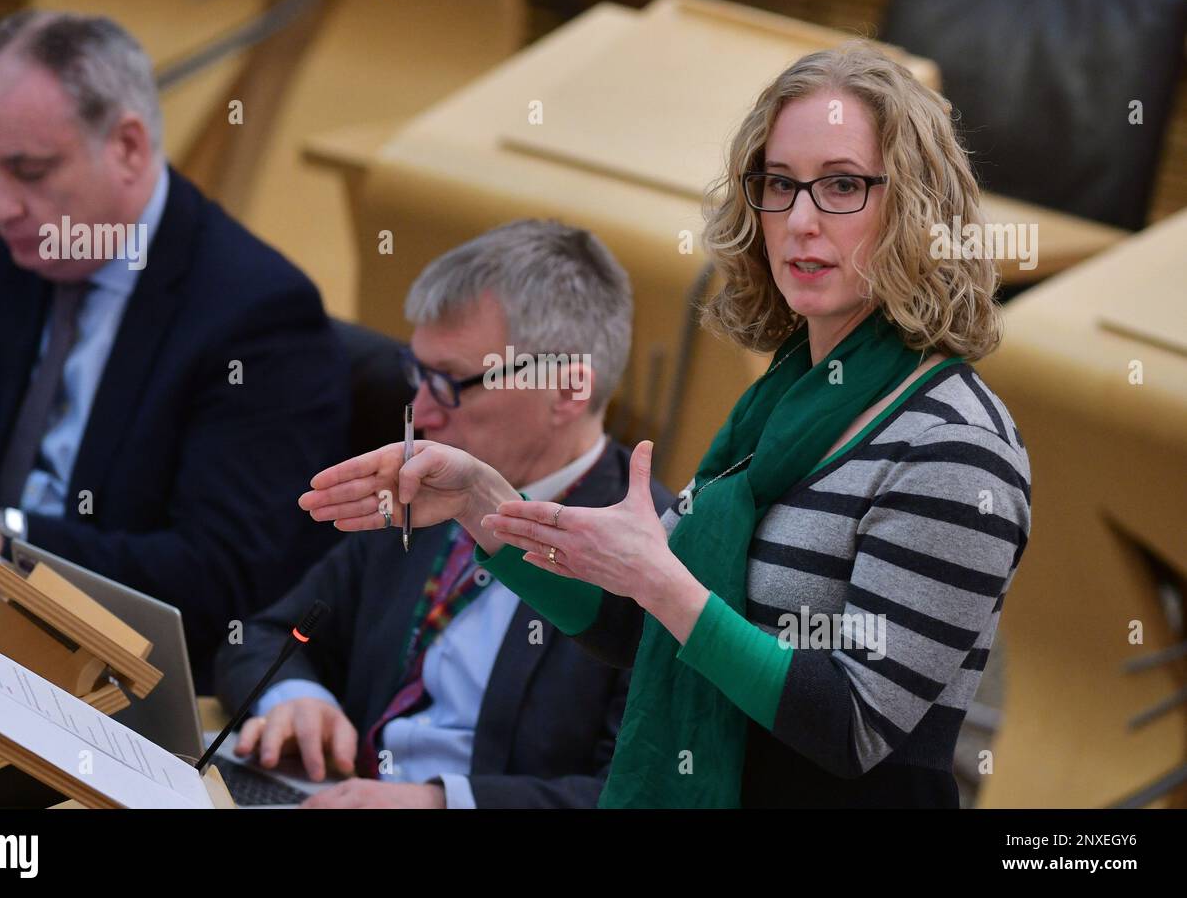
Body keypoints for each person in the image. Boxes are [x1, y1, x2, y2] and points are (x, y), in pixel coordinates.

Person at [299, 44, 1033, 808]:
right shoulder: (780, 407)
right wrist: (483, 503)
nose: (801, 221)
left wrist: (666, 584)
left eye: (843, 186)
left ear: (917, 207)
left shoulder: (955, 447)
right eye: (779, 185)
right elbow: (633, 628)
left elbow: (853, 723)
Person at [0, 11, 349, 689]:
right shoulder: (3, 260)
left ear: (128, 147)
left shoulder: (256, 315)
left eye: (29, 171)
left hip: (121, 684)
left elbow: (218, 579)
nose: (2, 206)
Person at [217, 220, 674, 808]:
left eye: (452, 382)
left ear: (567, 391)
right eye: (416, 372)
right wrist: (296, 697)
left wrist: (441, 803)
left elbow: (633, 794)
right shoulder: (420, 482)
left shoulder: (654, 549)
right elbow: (267, 634)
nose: (419, 411)